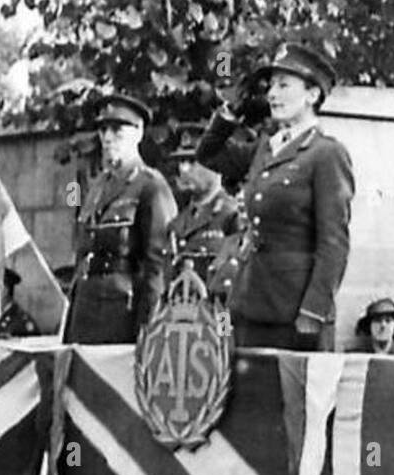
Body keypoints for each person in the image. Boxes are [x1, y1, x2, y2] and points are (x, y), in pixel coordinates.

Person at [197, 41, 354, 351]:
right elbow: (209, 154)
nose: (272, 94)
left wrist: (313, 310)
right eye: (271, 86)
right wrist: (230, 114)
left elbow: (333, 243)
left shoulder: (326, 154)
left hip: (293, 312)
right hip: (248, 303)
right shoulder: (264, 148)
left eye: (284, 85)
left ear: (312, 95)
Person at [64, 93, 177, 345]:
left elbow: (157, 267)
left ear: (138, 132)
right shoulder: (96, 188)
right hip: (85, 314)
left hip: (122, 317)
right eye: (103, 129)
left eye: (117, 129)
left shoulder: (151, 186)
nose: (107, 137)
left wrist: (148, 332)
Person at [167, 123, 242, 302]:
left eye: (193, 162)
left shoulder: (232, 215)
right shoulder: (178, 220)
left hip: (221, 314)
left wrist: (225, 329)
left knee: (225, 330)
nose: (183, 170)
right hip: (181, 317)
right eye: (181, 162)